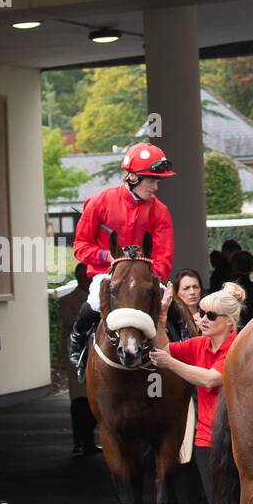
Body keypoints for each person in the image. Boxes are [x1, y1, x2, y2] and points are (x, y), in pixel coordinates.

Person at [148, 281, 247, 504]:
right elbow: (162, 350)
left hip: (242, 437)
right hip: (207, 438)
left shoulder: (237, 346)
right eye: (201, 313)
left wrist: (170, 364)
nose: (202, 318)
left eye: (210, 315)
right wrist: (162, 314)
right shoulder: (198, 345)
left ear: (228, 322)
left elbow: (210, 379)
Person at [68, 141, 177, 381]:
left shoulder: (160, 212)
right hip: (106, 273)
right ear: (134, 178)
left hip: (145, 277)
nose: (156, 187)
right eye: (152, 180)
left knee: (173, 308)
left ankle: (185, 346)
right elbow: (80, 246)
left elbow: (164, 259)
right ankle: (77, 344)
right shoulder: (99, 202)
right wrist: (106, 256)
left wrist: (143, 274)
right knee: (93, 304)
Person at [169, 269, 214, 504]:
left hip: (210, 389)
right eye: (186, 288)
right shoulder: (173, 317)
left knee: (211, 455)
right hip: (185, 393)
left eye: (195, 287)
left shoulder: (212, 314)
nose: (192, 292)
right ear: (177, 291)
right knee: (189, 459)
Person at [58, 263, 99, 456]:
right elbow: (73, 323)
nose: (89, 280)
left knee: (94, 399)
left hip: (96, 354)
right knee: (79, 400)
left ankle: (89, 441)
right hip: (78, 354)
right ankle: (79, 441)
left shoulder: (99, 299)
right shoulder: (68, 301)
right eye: (86, 276)